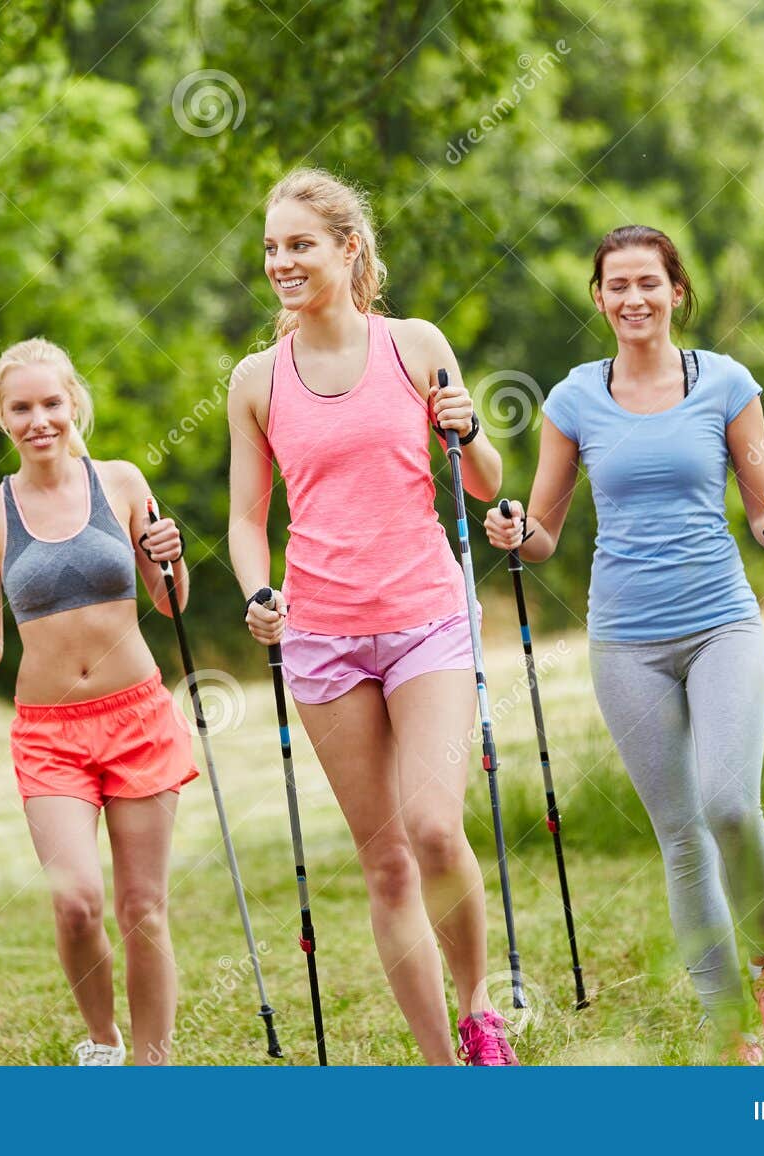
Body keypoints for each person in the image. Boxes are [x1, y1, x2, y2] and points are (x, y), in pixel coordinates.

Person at [485, 225, 764, 1064]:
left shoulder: (726, 384)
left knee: (729, 805)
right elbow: (544, 533)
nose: (634, 298)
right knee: (680, 835)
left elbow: (761, 507)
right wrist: (514, 529)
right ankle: (726, 1024)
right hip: (625, 640)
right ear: (598, 299)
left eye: (649, 283)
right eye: (617, 285)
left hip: (721, 622)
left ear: (677, 291)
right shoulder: (573, 400)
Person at [227, 167, 517, 1065]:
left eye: (300, 244)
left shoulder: (415, 346)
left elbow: (485, 484)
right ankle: (440, 1067)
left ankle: (479, 1012)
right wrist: (257, 592)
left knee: (434, 830)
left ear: (348, 249)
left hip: (427, 615)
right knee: (386, 861)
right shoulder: (255, 381)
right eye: (271, 248)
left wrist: (469, 428)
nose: (281, 262)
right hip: (322, 635)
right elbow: (245, 520)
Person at [0, 337, 196, 1066]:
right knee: (77, 901)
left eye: (51, 403)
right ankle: (104, 1042)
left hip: (138, 716)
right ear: (1, 415)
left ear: (73, 402)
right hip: (50, 734)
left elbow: (170, 603)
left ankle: (153, 1067)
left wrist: (172, 558)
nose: (39, 420)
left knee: (143, 908)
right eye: (21, 408)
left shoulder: (122, 483)